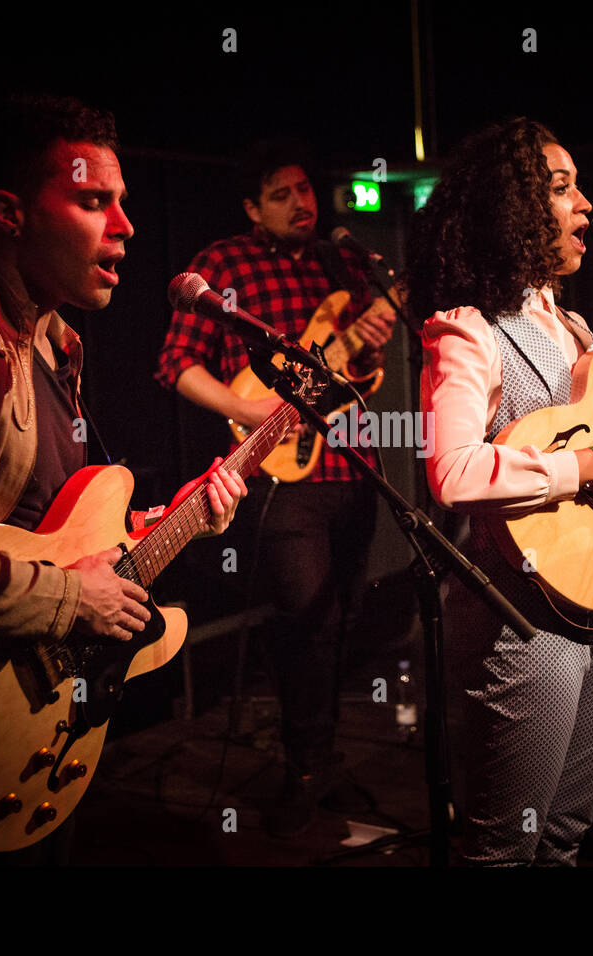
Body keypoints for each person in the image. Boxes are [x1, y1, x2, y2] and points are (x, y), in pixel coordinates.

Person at [0, 94, 247, 862]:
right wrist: (75, 600)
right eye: (95, 202)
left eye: (122, 202)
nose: (125, 225)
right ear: (10, 215)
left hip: (37, 719)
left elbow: (51, 531)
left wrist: (173, 520)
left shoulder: (59, 343)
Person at [408, 117, 593, 866]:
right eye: (562, 189)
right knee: (504, 850)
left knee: (564, 838)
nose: (584, 206)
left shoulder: (575, 328)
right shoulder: (466, 330)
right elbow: (452, 471)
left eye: (578, 187)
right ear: (514, 210)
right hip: (522, 622)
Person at [156, 139, 397, 837]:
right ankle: (303, 771)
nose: (301, 202)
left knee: (346, 617)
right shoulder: (223, 263)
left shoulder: (340, 263)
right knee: (307, 622)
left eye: (305, 189)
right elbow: (176, 364)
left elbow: (356, 379)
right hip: (278, 474)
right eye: (281, 194)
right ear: (252, 208)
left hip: (351, 464)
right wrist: (248, 407)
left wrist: (371, 349)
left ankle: (321, 758)